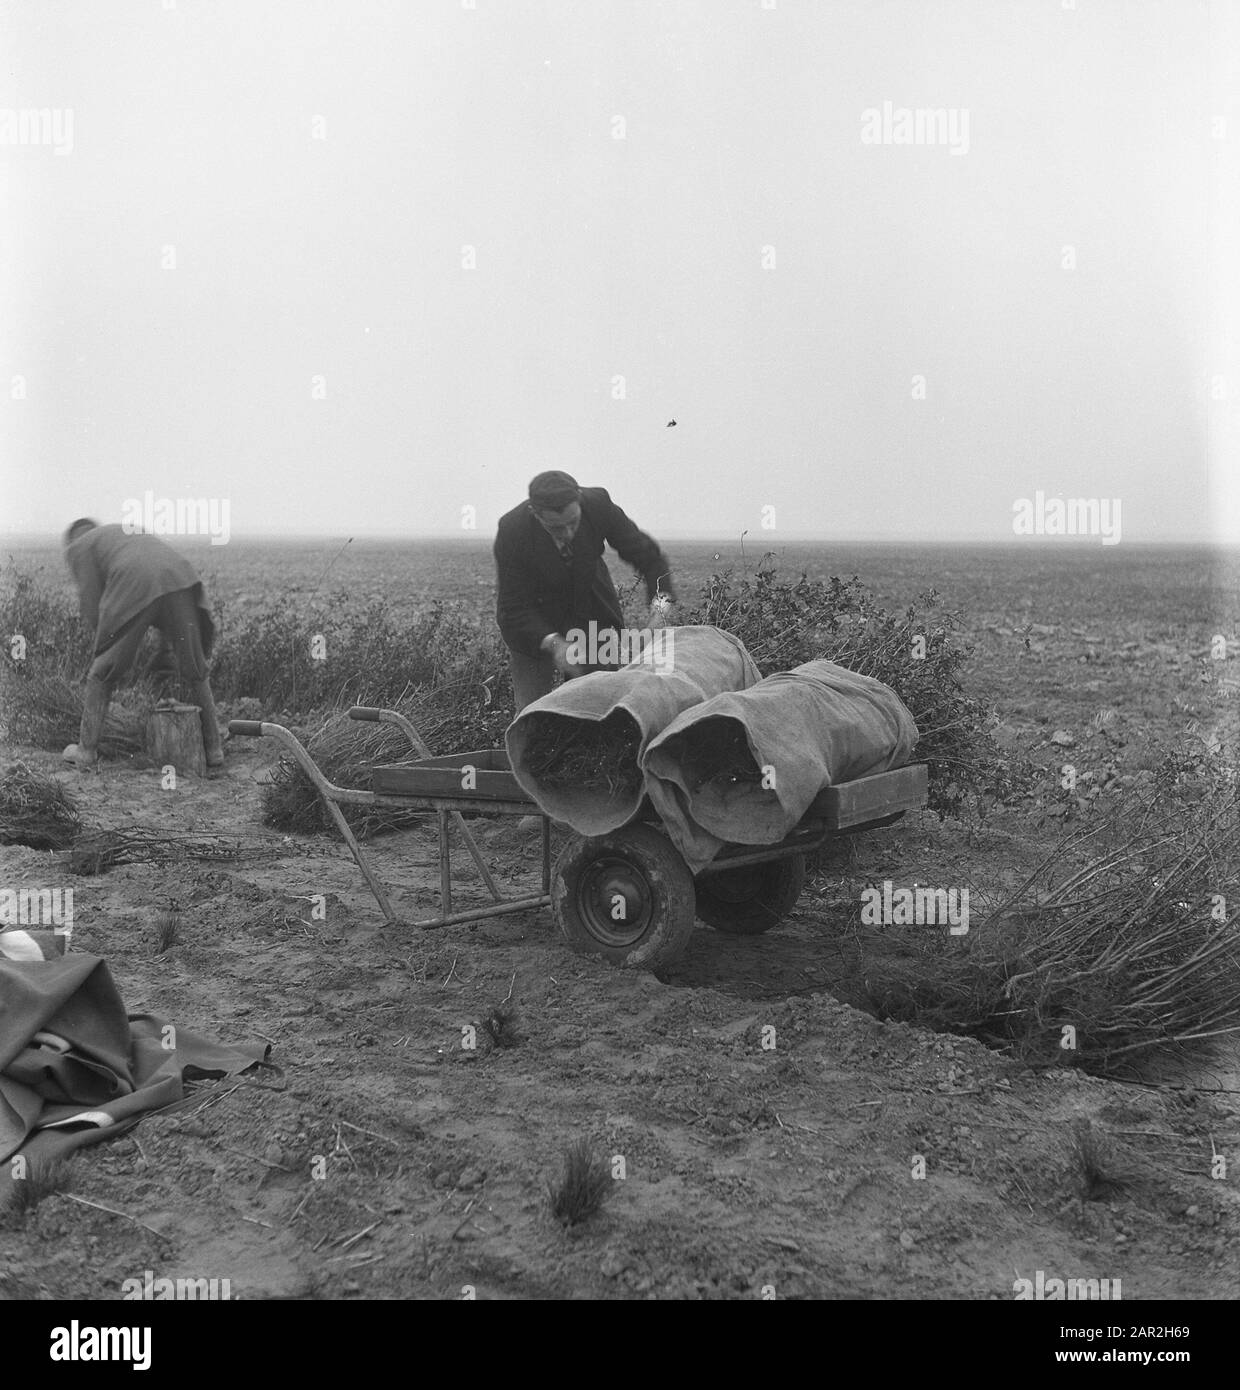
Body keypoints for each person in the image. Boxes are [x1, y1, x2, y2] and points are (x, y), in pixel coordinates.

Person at [493, 471, 677, 711]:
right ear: (535, 514)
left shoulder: (598, 504)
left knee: (599, 706)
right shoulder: (512, 529)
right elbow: (514, 607)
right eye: (556, 528)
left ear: (580, 501)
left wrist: (660, 611)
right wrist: (555, 645)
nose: (568, 534)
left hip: (588, 609)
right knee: (531, 714)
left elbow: (650, 559)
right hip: (533, 625)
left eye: (573, 523)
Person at [61, 519, 224, 769]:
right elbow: (156, 579)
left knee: (101, 673)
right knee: (196, 668)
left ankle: (85, 751)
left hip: (136, 580)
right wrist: (163, 649)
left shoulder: (79, 546)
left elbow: (92, 602)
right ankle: (214, 750)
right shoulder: (121, 533)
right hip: (180, 575)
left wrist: (107, 648)